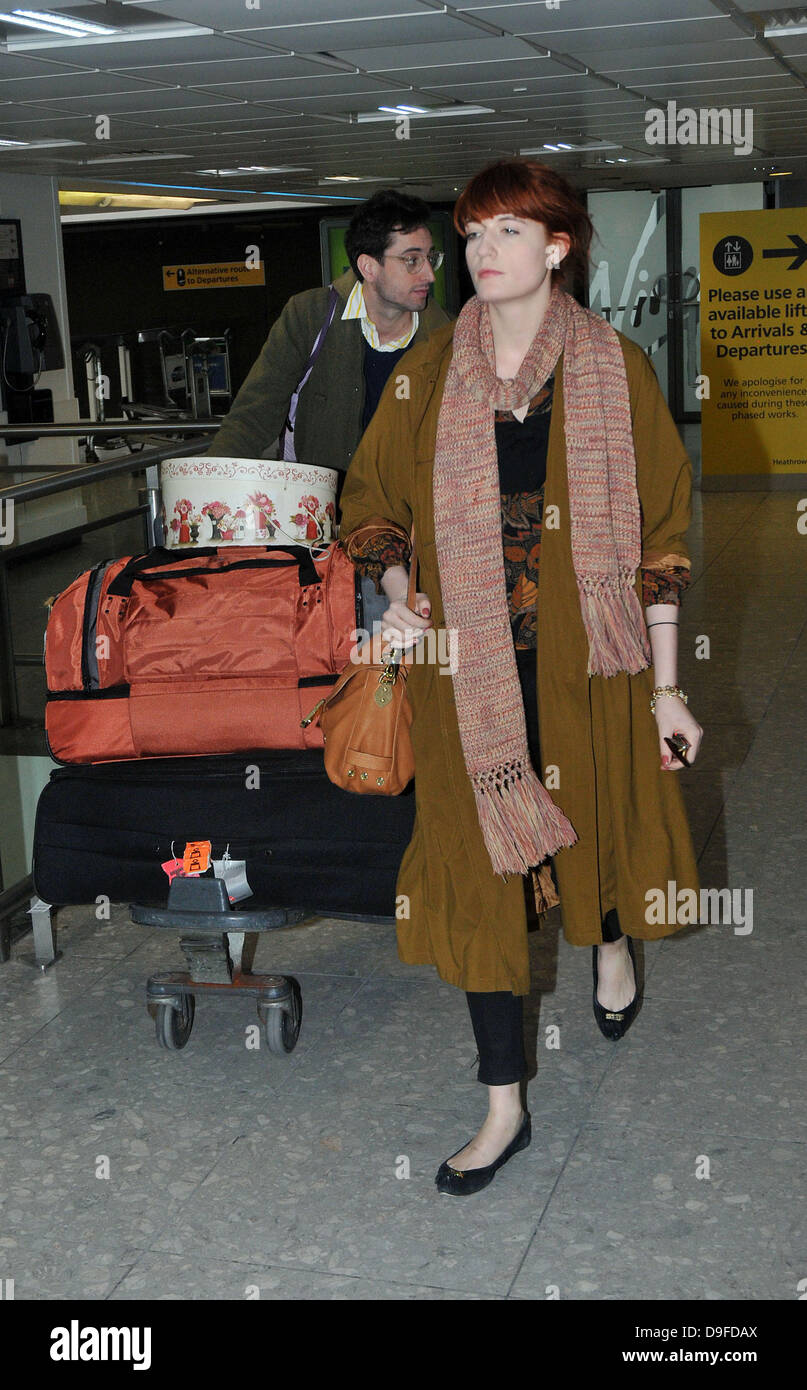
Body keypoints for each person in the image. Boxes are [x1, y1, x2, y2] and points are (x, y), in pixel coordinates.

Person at [338, 158, 703, 1197]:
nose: (478, 254)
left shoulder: (612, 365)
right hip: (469, 677)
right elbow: (375, 497)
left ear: (557, 247)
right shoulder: (430, 371)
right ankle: (503, 1103)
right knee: (478, 870)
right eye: (469, 236)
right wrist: (401, 588)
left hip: (591, 664)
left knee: (593, 830)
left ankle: (609, 940)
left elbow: (661, 541)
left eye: (504, 234)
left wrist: (669, 687)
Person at [206, 189, 450, 478]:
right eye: (412, 260)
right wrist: (211, 486)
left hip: (409, 517)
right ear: (369, 267)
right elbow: (254, 416)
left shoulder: (449, 337)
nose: (429, 275)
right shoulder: (311, 315)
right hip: (320, 511)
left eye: (430, 258)